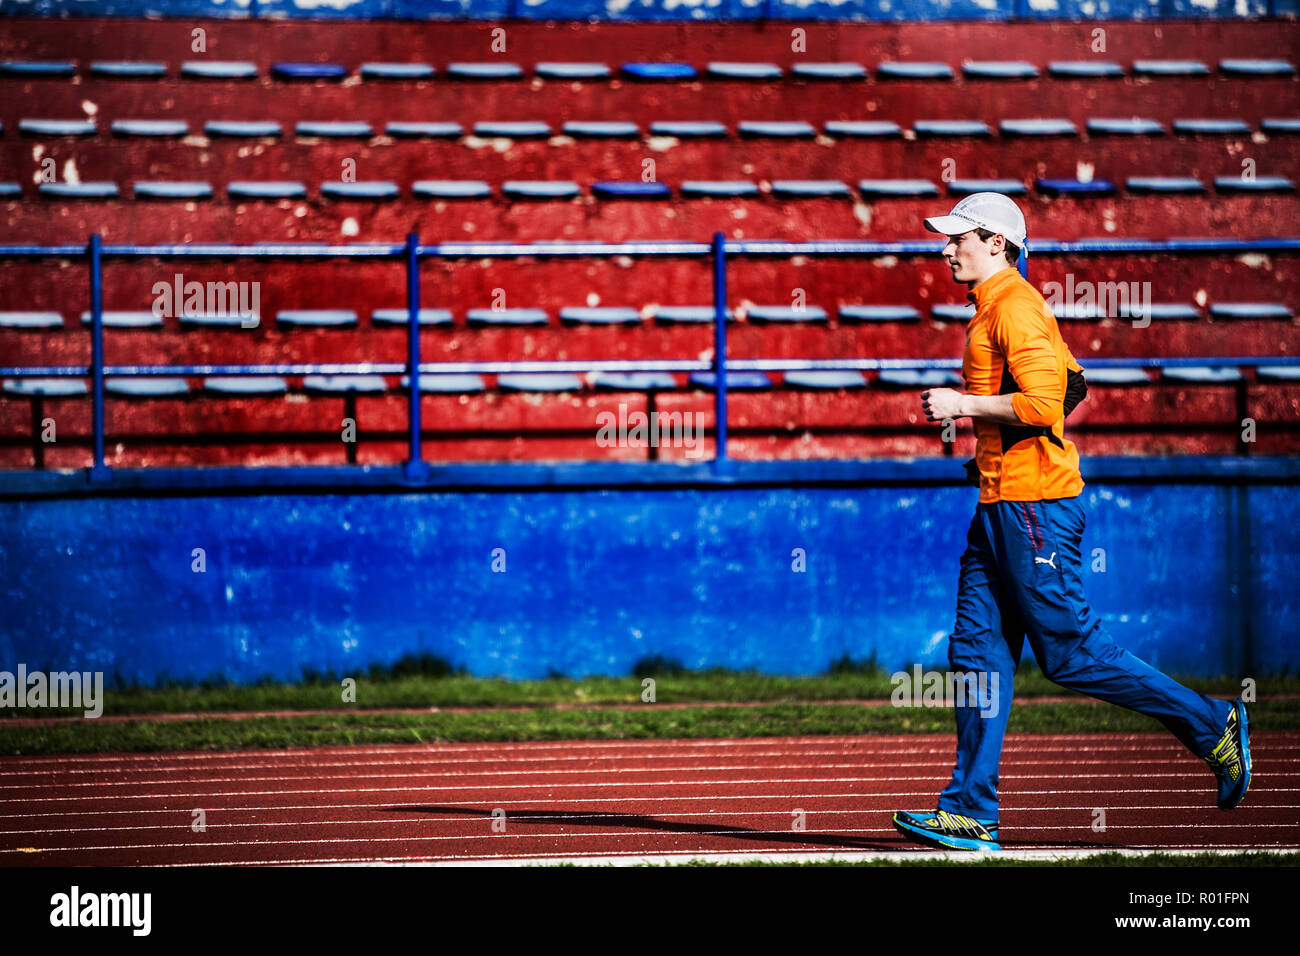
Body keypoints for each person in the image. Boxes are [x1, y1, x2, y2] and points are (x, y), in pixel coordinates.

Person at [891, 192, 1251, 852]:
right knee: (975, 656)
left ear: (996, 244)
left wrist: (963, 403)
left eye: (958, 239)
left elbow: (1044, 401)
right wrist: (992, 454)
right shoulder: (998, 309)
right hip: (999, 506)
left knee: (1072, 655)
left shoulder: (1017, 307)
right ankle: (970, 811)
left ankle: (1213, 724)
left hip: (1034, 509)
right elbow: (1075, 383)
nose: (945, 249)